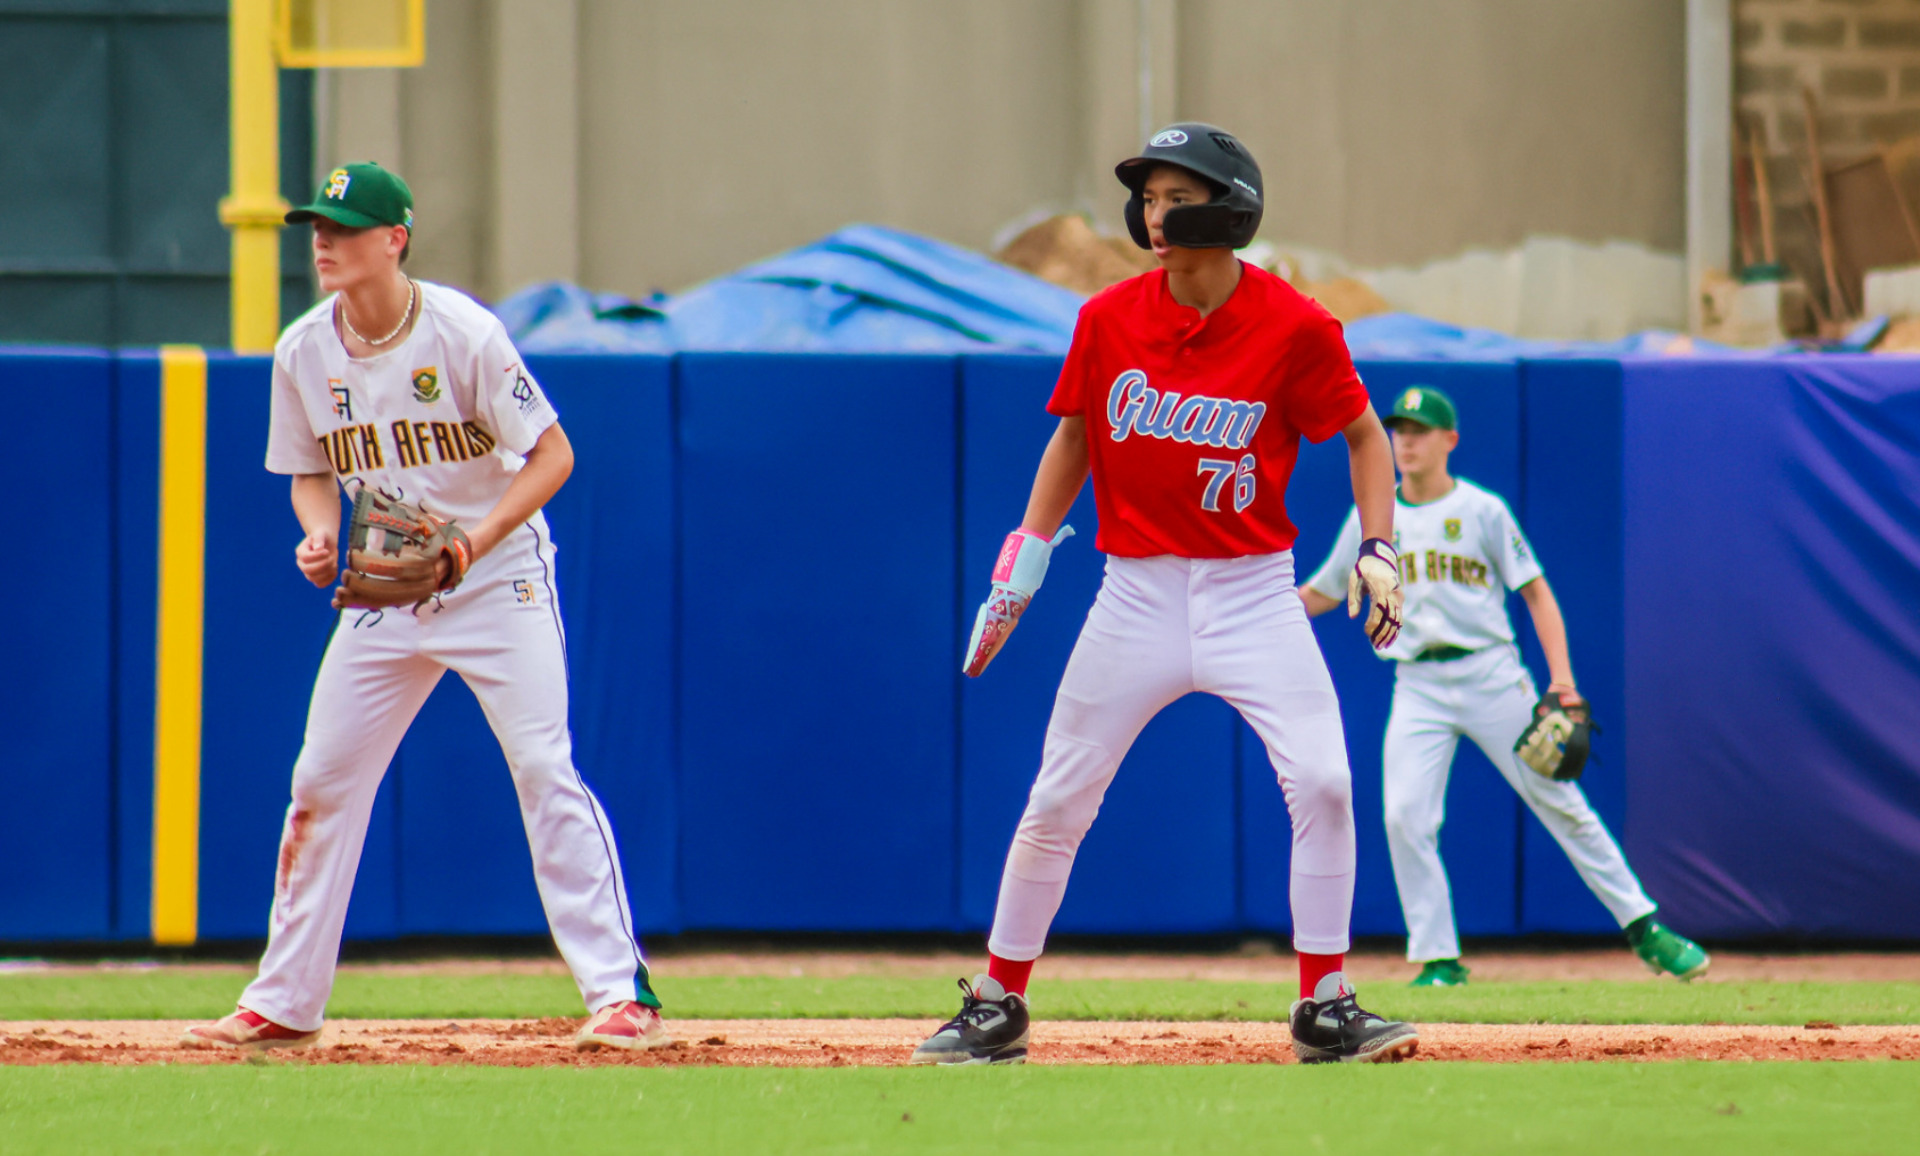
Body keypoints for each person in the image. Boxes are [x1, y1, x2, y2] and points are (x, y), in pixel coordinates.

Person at [912, 124, 1417, 1066]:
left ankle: (1327, 1003)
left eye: (1175, 197)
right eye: (1147, 197)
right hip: (1134, 593)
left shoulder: (1296, 325)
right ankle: (996, 1003)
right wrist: (1021, 567)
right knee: (1059, 796)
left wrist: (1379, 547)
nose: (1154, 214)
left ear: (1228, 207)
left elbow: (1361, 434)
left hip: (1253, 594)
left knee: (1325, 782)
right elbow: (1073, 440)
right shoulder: (1107, 318)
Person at [181, 162, 667, 1052]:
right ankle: (285, 1000)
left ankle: (619, 995)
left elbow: (552, 456)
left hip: (496, 576)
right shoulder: (302, 351)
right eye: (316, 226)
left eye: (344, 226)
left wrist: (474, 543)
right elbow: (309, 478)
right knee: (321, 783)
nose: (322, 240)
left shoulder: (462, 332)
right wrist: (320, 536)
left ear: (394, 238)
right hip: (387, 586)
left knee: (542, 769)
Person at [1299, 385, 1710, 986]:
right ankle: (1439, 959)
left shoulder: (1483, 510)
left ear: (1450, 440)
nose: (1406, 440)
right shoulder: (1374, 515)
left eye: (1419, 429)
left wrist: (1562, 683)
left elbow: (1537, 592)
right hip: (1416, 683)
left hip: (1491, 673)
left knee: (1560, 801)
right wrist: (1264, 611)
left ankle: (1644, 927)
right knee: (1404, 816)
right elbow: (1326, 591)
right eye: (1399, 429)